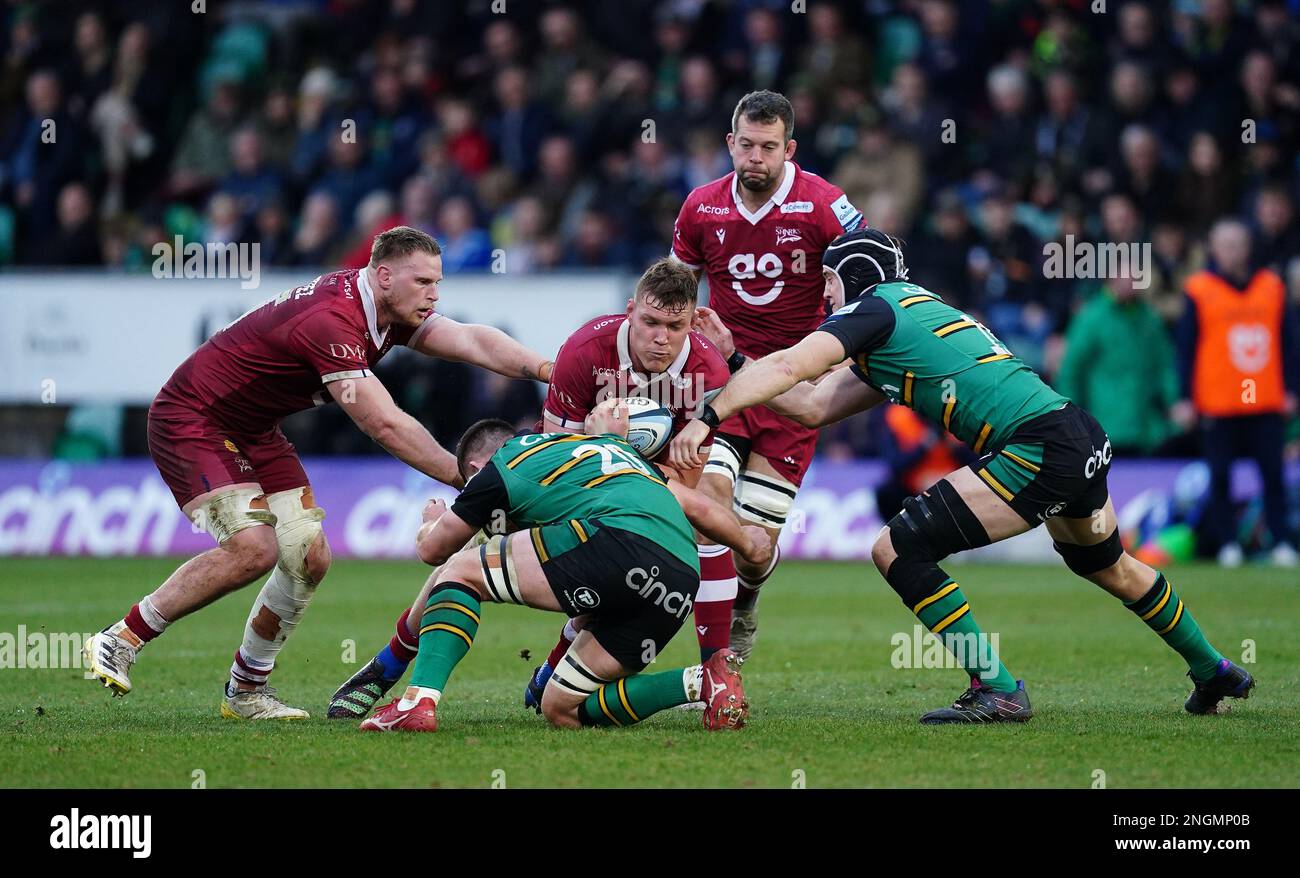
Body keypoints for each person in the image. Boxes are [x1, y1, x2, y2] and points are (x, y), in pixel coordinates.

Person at [672, 228, 1255, 723]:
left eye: (828, 282)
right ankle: (1215, 669)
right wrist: (736, 360)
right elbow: (813, 405)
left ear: (854, 275)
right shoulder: (906, 322)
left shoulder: (872, 307)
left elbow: (791, 365)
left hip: (1036, 446)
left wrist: (709, 413)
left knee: (896, 550)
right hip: (1075, 435)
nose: (824, 296)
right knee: (1112, 568)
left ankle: (999, 689)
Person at [83, 227, 554, 719]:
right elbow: (384, 424)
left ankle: (245, 691)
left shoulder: (387, 308)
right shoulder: (332, 320)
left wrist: (547, 368)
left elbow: (470, 340)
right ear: (384, 275)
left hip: (254, 428)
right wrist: (470, 483)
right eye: (423, 282)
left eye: (438, 282)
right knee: (255, 549)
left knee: (309, 557)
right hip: (195, 419)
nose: (434, 294)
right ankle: (121, 638)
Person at [327, 257, 731, 718]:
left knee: (468, 563)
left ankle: (413, 687)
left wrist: (621, 457)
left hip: (638, 496)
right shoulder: (586, 350)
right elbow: (562, 453)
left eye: (675, 326)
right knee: (482, 570)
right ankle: (391, 662)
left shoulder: (708, 372)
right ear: (629, 311)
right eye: (650, 322)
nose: (661, 337)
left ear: (692, 323)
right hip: (564, 480)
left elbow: (681, 482)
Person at [359, 401, 772, 733]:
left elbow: (433, 551)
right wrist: (746, 542)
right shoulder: (627, 458)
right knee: (562, 709)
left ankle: (416, 702)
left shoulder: (507, 462)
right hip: (680, 577)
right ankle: (703, 681)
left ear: (475, 469)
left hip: (616, 541)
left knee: (459, 571)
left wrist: (430, 521)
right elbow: (697, 505)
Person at [669, 89, 863, 661]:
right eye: (746, 145)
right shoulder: (700, 207)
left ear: (789, 148)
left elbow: (870, 270)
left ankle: (745, 600)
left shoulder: (824, 203)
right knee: (709, 505)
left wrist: (847, 348)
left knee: (755, 547)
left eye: (768, 147)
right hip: (723, 382)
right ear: (730, 144)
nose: (756, 157)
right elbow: (673, 290)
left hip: (795, 388)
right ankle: (714, 662)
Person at [1172, 218, 1298, 567]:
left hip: (1265, 398)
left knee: (1273, 475)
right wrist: (1185, 397)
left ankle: (1281, 541)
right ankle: (1228, 543)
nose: (1231, 252)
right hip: (1219, 401)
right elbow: (1185, 347)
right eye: (1224, 244)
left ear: (1248, 247)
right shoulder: (1199, 289)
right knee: (1221, 476)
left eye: (1237, 244)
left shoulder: (1271, 286)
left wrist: (1292, 389)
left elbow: (1289, 343)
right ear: (1213, 248)